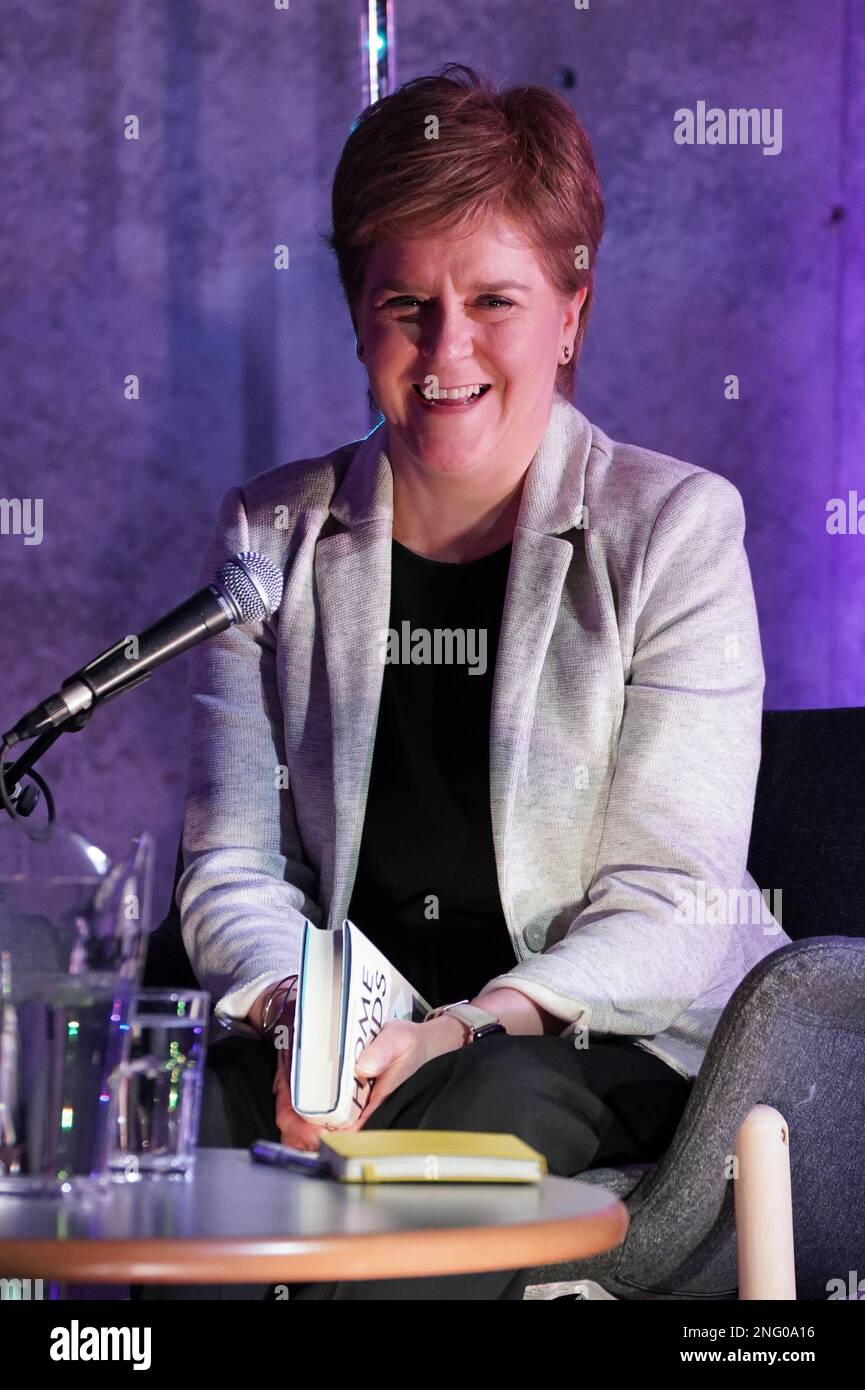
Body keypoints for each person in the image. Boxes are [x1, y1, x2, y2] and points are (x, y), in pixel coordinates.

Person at [176, 63, 791, 1300]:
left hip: (579, 1037)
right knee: (188, 1106)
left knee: (468, 1128)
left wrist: (463, 1024)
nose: (446, 349)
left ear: (570, 312)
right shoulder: (271, 537)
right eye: (406, 303)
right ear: (357, 317)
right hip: (342, 1045)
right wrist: (300, 1018)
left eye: (493, 301)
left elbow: (674, 902)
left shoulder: (670, 529)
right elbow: (232, 868)